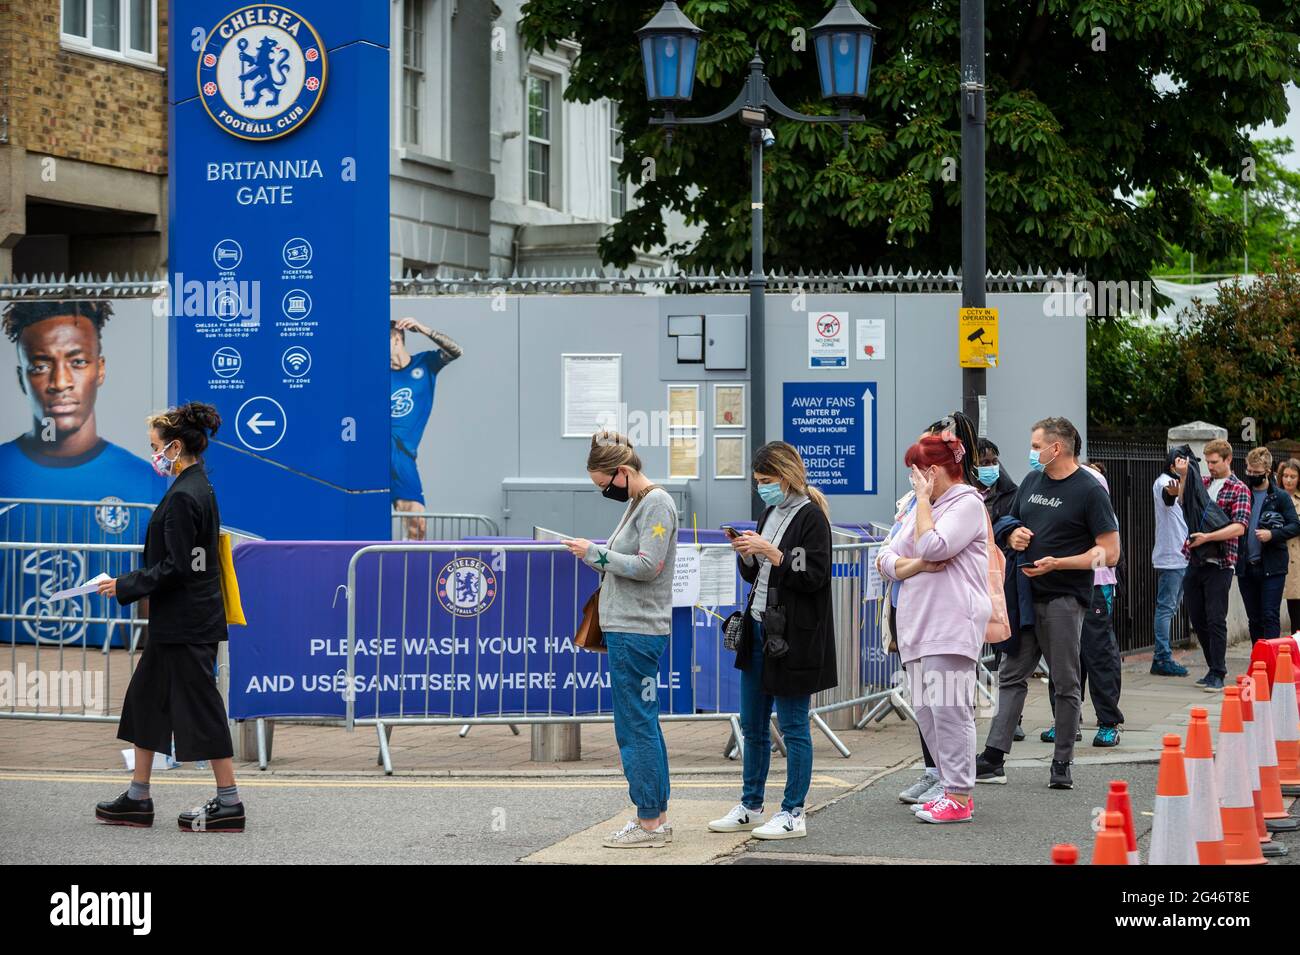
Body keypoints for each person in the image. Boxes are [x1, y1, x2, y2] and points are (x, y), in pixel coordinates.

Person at [93, 402, 243, 832]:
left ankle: (229, 802)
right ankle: (138, 797)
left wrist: (124, 585)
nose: (153, 454)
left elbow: (178, 566)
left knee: (201, 706)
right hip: (180, 621)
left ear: (175, 447)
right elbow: (193, 561)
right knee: (146, 701)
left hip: (185, 623)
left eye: (155, 446)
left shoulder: (182, 496)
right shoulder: (199, 486)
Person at [976, 417, 1119, 791]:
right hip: (1024, 597)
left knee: (1065, 681)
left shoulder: (1089, 490)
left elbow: (1111, 553)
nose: (1032, 451)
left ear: (1057, 448)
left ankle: (1062, 761)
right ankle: (993, 757)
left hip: (1064, 599)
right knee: (1011, 675)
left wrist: (1061, 563)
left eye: (1037, 445)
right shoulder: (1032, 481)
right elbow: (1008, 518)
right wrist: (1014, 532)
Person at [706, 440, 834, 840]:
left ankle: (794, 811)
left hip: (792, 636)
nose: (761, 487)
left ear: (786, 475)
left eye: (766, 480)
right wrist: (748, 553)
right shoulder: (768, 512)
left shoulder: (811, 516)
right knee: (753, 723)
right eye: (758, 481)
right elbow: (758, 575)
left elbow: (813, 574)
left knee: (794, 726)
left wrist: (772, 552)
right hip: (760, 628)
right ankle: (750, 804)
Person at [564, 432, 677, 848]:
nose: (603, 492)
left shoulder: (655, 503)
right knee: (642, 723)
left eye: (603, 484)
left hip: (636, 629)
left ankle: (649, 822)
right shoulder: (639, 503)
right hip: (632, 627)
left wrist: (595, 553)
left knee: (634, 727)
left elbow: (649, 564)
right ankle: (656, 816)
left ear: (623, 472)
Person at [877, 415, 989, 823]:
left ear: (934, 472)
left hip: (951, 624)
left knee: (950, 710)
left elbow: (934, 544)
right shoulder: (927, 506)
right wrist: (916, 566)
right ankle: (947, 785)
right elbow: (885, 557)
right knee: (926, 710)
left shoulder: (967, 504)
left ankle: (958, 796)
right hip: (917, 626)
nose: (913, 481)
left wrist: (922, 508)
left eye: (917, 473)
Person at [1042, 460, 1125, 747]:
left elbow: (1109, 544)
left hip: (1096, 582)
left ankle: (1109, 722)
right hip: (1061, 582)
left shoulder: (1091, 481)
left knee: (1098, 652)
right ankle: (1067, 722)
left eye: (1040, 445)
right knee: (1063, 656)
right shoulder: (1046, 480)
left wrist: (1095, 566)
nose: (1035, 452)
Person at [1175, 439, 1250, 691]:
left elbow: (1239, 527)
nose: (1210, 467)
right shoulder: (1204, 483)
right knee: (1197, 617)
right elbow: (1183, 502)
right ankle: (1210, 668)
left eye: (1214, 462)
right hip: (1195, 558)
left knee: (1216, 618)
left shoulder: (1239, 489)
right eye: (1207, 462)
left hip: (1221, 561)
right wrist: (1185, 475)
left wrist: (1208, 537)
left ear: (1228, 459)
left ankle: (1218, 671)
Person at [390, 317, 463, 540]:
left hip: (402, 457)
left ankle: (408, 572)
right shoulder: (372, 374)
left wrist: (422, 329)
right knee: (361, 526)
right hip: (371, 452)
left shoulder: (425, 363)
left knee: (418, 527)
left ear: (396, 339)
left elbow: (456, 350)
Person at [1235, 447, 1300, 642]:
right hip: (1246, 566)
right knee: (1254, 619)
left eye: (1257, 472)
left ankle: (1271, 664)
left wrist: (1272, 534)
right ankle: (1258, 660)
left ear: (1267, 472)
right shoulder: (1243, 493)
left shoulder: (1279, 497)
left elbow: (1295, 526)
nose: (1252, 475)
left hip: (1272, 566)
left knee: (1270, 616)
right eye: (1249, 471)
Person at [1150, 447, 1190, 676]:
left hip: (1182, 556)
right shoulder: (1165, 481)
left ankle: (1162, 655)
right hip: (1171, 556)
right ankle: (1162, 657)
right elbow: (1168, 496)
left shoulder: (1180, 483)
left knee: (1171, 607)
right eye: (1180, 461)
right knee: (1166, 607)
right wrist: (1179, 481)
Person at [977, 437, 1019, 523]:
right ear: (971, 466)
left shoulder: (1011, 493)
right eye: (985, 463)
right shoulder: (961, 493)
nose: (992, 467)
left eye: (995, 462)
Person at [1280, 459, 1300, 634]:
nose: (1288, 480)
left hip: (1298, 560)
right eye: (1285, 476)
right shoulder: (1275, 497)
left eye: (1293, 476)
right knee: (1293, 611)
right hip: (1281, 559)